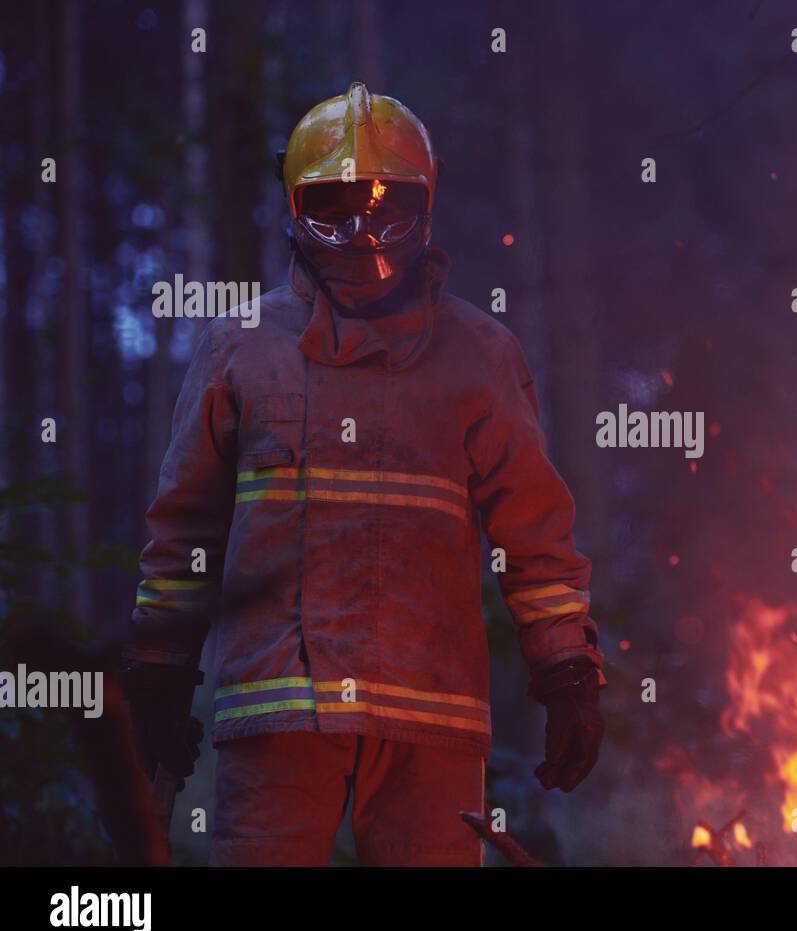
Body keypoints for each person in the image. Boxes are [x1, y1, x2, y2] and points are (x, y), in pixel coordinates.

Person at [121, 81, 604, 866]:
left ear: (428, 207)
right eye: (334, 212)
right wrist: (158, 671)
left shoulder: (480, 356)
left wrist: (569, 669)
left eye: (388, 211)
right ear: (292, 207)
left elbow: (534, 535)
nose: (363, 236)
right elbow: (185, 534)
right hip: (279, 717)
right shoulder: (240, 347)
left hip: (430, 724)